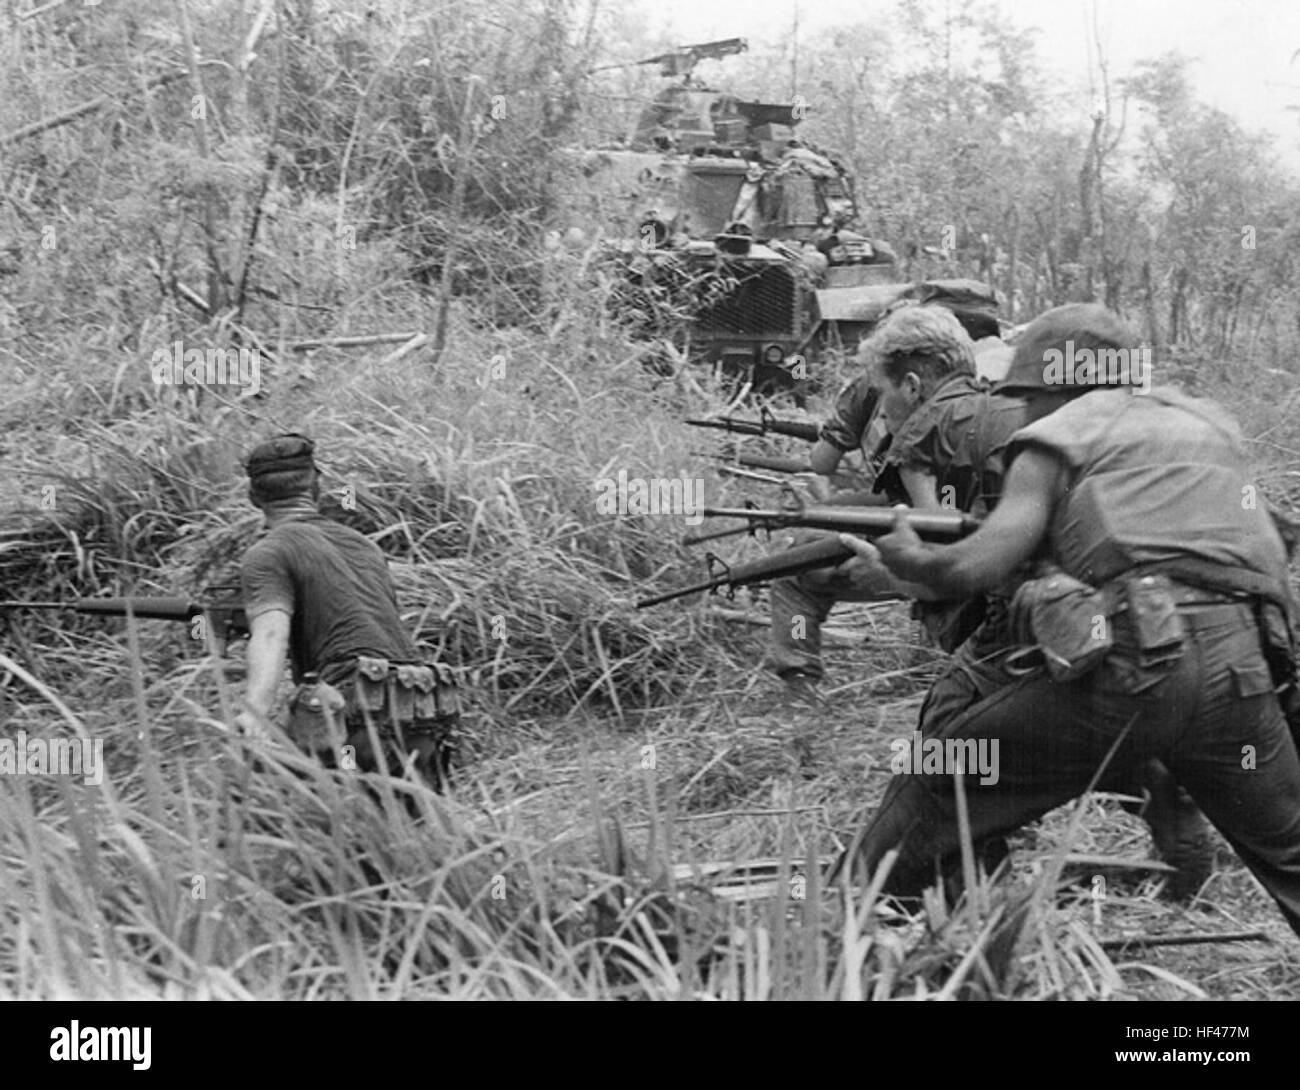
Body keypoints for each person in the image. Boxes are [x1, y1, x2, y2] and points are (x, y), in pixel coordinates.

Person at [838, 304, 1300, 935]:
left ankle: (844, 930)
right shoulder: (1205, 424)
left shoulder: (1062, 431)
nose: (1019, 415)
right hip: (1245, 674)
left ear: (1055, 386)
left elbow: (976, 565)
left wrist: (911, 559)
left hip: (1139, 669)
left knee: (946, 771)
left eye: (1024, 397)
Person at [765, 305, 1025, 693]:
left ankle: (799, 684)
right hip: (1041, 582)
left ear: (912, 386)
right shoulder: (1007, 402)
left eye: (883, 393)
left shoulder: (920, 435)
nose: (883, 413)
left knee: (795, 571)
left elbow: (943, 560)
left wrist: (891, 576)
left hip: (1003, 614)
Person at [234, 433, 457, 792]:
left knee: (254, 792)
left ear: (253, 497)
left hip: (352, 717)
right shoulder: (365, 546)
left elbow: (271, 634)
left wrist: (254, 711)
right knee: (406, 833)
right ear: (317, 485)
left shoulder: (267, 553)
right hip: (422, 713)